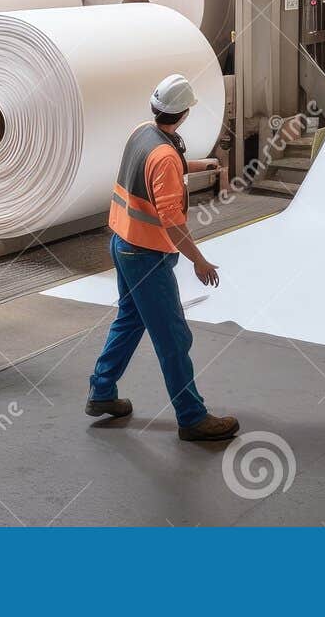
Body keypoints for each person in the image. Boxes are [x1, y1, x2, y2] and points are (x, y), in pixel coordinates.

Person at [86, 73, 239, 441]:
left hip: (122, 242)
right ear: (184, 113)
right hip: (146, 255)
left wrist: (200, 165)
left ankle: (102, 391)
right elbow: (171, 220)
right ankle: (192, 417)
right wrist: (199, 261)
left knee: (129, 320)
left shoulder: (143, 133)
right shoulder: (166, 156)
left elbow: (155, 170)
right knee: (173, 337)